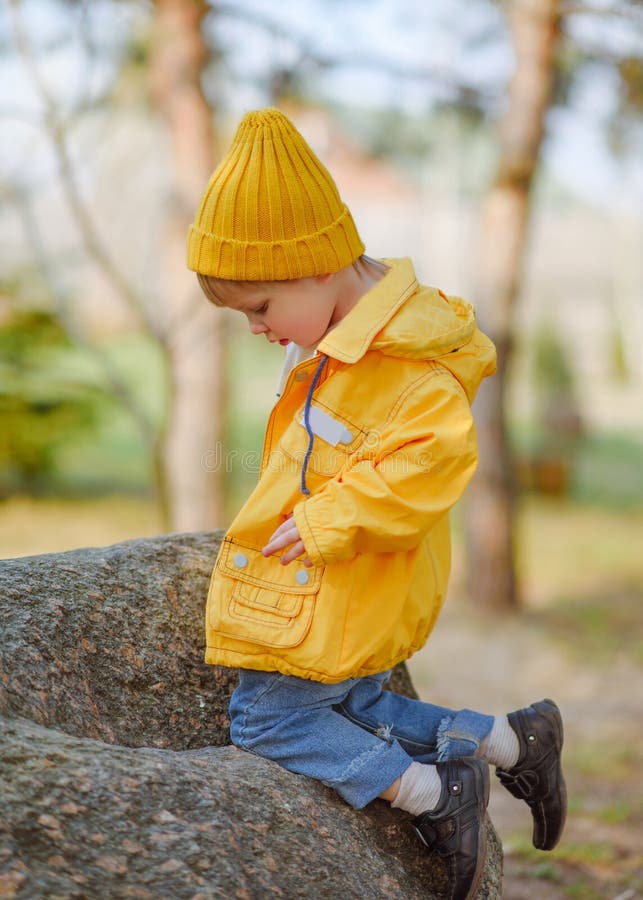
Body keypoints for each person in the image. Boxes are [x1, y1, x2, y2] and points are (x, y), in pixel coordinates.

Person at [187, 107, 566, 900]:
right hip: (331, 582)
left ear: (318, 271)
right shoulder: (342, 341)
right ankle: (506, 741)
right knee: (357, 703)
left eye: (258, 308)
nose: (255, 329)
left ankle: (433, 794)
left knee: (269, 720)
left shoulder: (403, 365)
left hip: (339, 576)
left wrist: (328, 521)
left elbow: (434, 461)